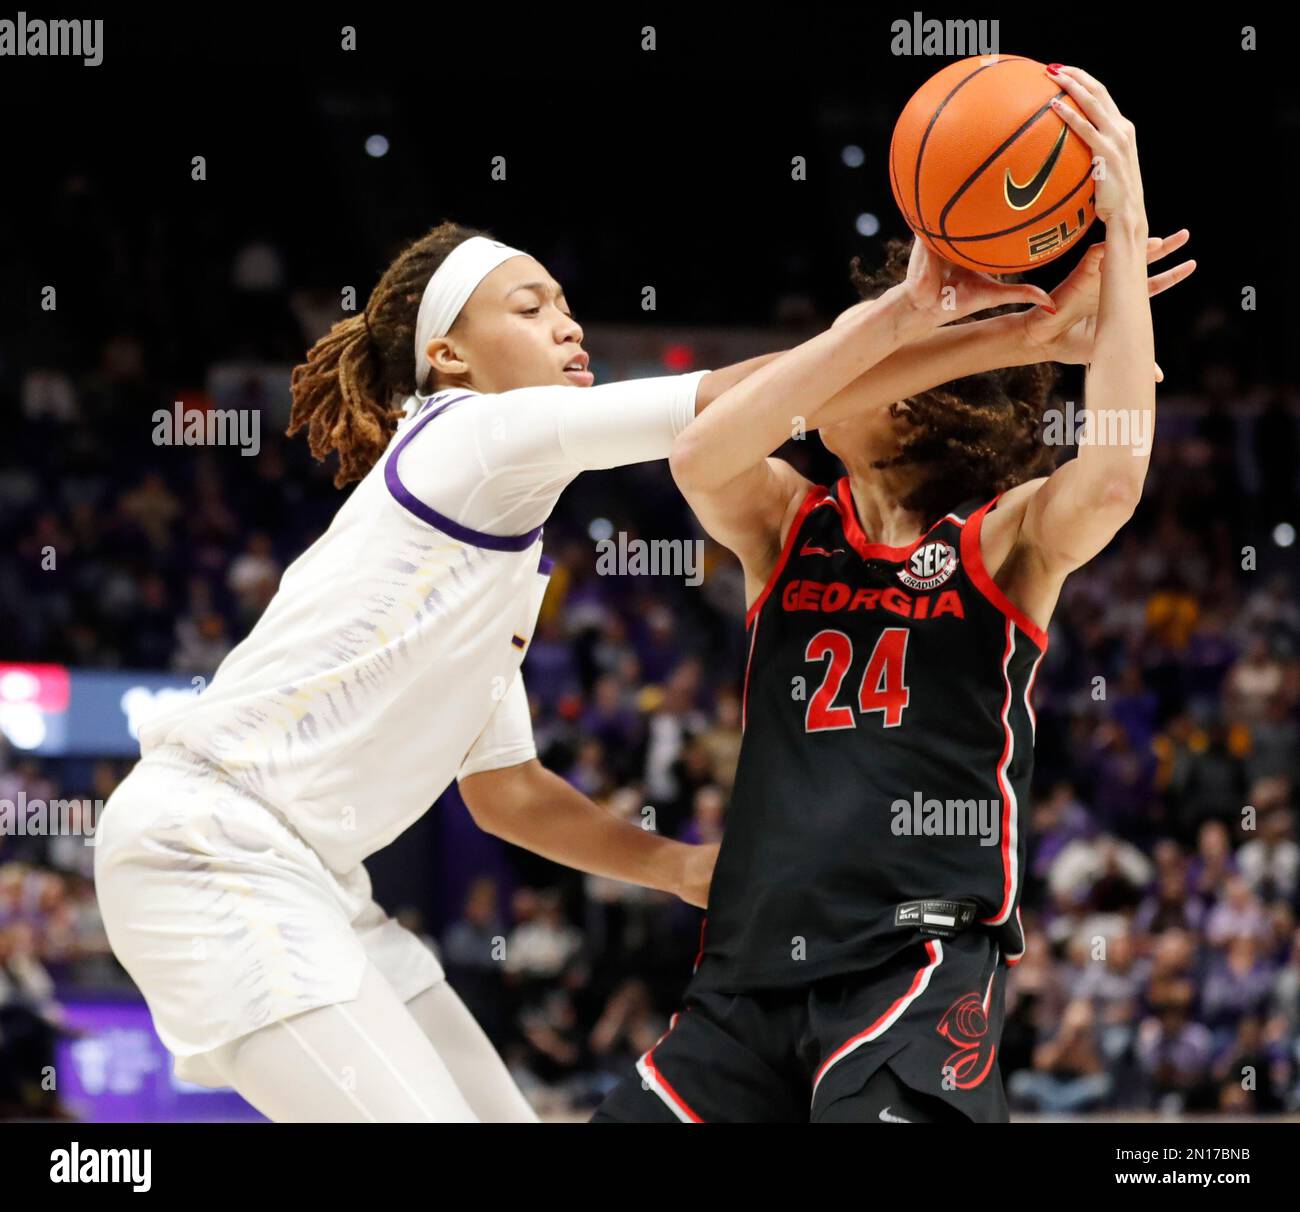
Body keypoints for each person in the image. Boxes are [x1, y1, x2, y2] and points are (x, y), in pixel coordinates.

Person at [93, 220, 1048, 1123]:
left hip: (315, 884)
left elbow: (507, 793)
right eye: (528, 306)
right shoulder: (461, 436)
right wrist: (961, 323)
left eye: (563, 302)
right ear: (448, 357)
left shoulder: (490, 544)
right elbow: (735, 400)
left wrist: (672, 866)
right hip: (212, 854)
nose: (567, 322)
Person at [595, 65, 1195, 1123]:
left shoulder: (997, 540)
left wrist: (1119, 217)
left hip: (913, 960)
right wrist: (907, 311)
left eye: (883, 359)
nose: (837, 367)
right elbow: (699, 452)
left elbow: (1107, 477)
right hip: (741, 974)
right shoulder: (787, 522)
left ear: (927, 407)